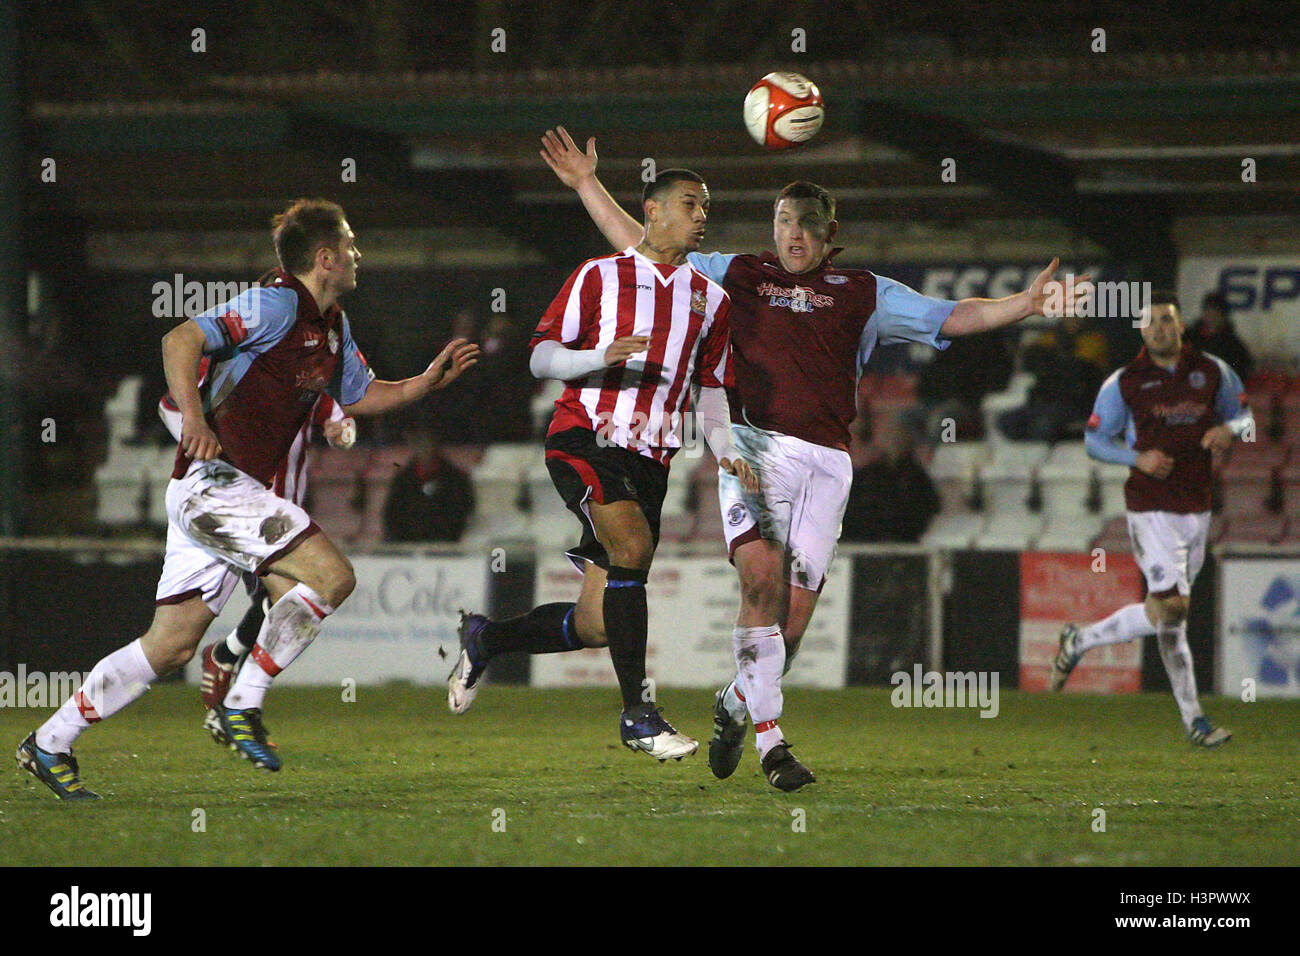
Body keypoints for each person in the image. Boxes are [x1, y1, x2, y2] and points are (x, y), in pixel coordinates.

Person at [539, 126, 1093, 790]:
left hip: (828, 462)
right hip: (754, 448)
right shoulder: (739, 276)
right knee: (760, 584)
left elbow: (953, 314)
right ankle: (774, 748)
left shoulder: (865, 292)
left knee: (792, 627)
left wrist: (1025, 305)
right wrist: (585, 184)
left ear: (831, 232)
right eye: (782, 220)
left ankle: (735, 703)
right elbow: (644, 243)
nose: (792, 232)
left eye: (806, 222)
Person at [16, 198, 479, 799]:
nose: (359, 255)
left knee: (172, 644)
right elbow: (180, 338)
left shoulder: (332, 324)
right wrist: (192, 419)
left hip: (220, 495)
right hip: (215, 486)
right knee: (331, 578)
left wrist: (425, 382)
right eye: (352, 245)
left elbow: (360, 396)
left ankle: (49, 742)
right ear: (326, 257)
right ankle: (240, 703)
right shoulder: (276, 303)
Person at [445, 168, 757, 763]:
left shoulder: (711, 300)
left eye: (706, 206)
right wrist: (598, 356)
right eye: (691, 204)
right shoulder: (600, 275)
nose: (701, 216)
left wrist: (729, 451)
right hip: (585, 436)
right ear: (653, 211)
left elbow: (712, 391)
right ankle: (638, 713)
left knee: (595, 624)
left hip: (652, 460)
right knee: (633, 549)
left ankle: (487, 638)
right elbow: (540, 358)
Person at [1051, 291, 1252, 747]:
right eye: (1152, 321)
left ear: (1182, 326)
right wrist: (1135, 458)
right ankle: (1196, 720)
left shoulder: (1212, 371)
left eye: (1168, 320)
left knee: (1167, 616)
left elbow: (1245, 418)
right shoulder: (1124, 382)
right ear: (1142, 330)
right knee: (1174, 607)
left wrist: (1228, 429)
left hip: (1196, 507)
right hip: (1149, 505)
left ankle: (1079, 641)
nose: (1161, 327)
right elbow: (1094, 441)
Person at [159, 363, 358, 721]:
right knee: (291, 596)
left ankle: (227, 667)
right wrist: (200, 440)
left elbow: (335, 416)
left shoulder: (303, 377)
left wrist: (340, 429)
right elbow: (170, 404)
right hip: (239, 510)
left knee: (291, 599)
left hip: (281, 511)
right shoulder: (235, 364)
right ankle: (233, 698)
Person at [841, 415, 940, 543]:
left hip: (904, 542)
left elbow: (927, 508)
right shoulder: (867, 476)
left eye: (896, 435)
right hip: (864, 542)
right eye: (887, 435)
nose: (892, 440)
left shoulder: (916, 477)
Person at [383, 421, 475, 542]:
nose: (422, 446)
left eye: (425, 439)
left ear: (435, 441)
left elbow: (462, 513)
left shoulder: (456, 479)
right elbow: (392, 516)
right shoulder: (402, 480)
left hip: (447, 551)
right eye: (417, 441)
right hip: (408, 551)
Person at [1186, 291, 1254, 381]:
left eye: (1216, 313)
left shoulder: (1233, 346)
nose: (1211, 317)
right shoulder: (1189, 337)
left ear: (1223, 316)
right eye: (1208, 311)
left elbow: (1241, 371)